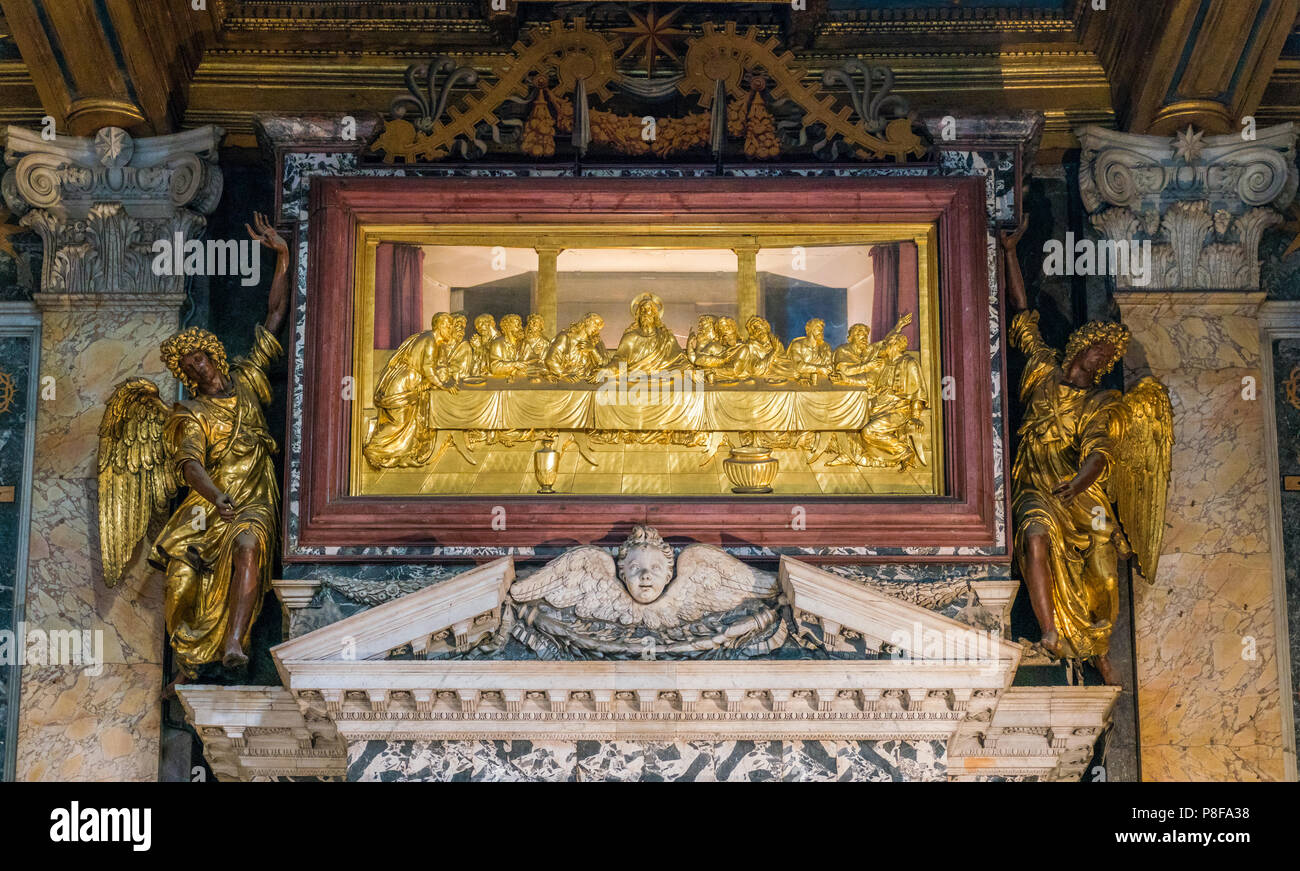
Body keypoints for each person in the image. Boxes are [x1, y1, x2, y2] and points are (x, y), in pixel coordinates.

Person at [151, 211, 289, 674]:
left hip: (253, 496)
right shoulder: (191, 413)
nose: (197, 370)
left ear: (212, 355)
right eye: (188, 370)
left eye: (200, 361)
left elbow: (274, 315)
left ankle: (235, 643)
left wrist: (284, 257)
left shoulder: (249, 382)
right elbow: (189, 466)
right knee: (183, 583)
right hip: (215, 501)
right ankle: (191, 658)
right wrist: (216, 495)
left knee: (250, 545)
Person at [1003, 220, 1129, 685]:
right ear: (1080, 346)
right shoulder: (1040, 370)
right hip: (1036, 488)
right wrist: (1009, 252)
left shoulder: (1101, 404)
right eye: (1097, 352)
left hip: (1083, 501)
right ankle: (1051, 634)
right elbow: (1021, 314)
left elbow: (1101, 454)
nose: (1099, 360)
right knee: (1034, 536)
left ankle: (1098, 649)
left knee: (1104, 577)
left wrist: (1077, 483)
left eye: (1106, 359)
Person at [599, 293, 688, 376]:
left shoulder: (667, 338)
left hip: (662, 379)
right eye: (642, 310)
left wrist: (689, 370)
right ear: (638, 314)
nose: (645, 313)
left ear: (654, 314)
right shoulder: (630, 338)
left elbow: (680, 359)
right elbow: (619, 360)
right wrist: (607, 370)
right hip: (633, 380)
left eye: (649, 309)